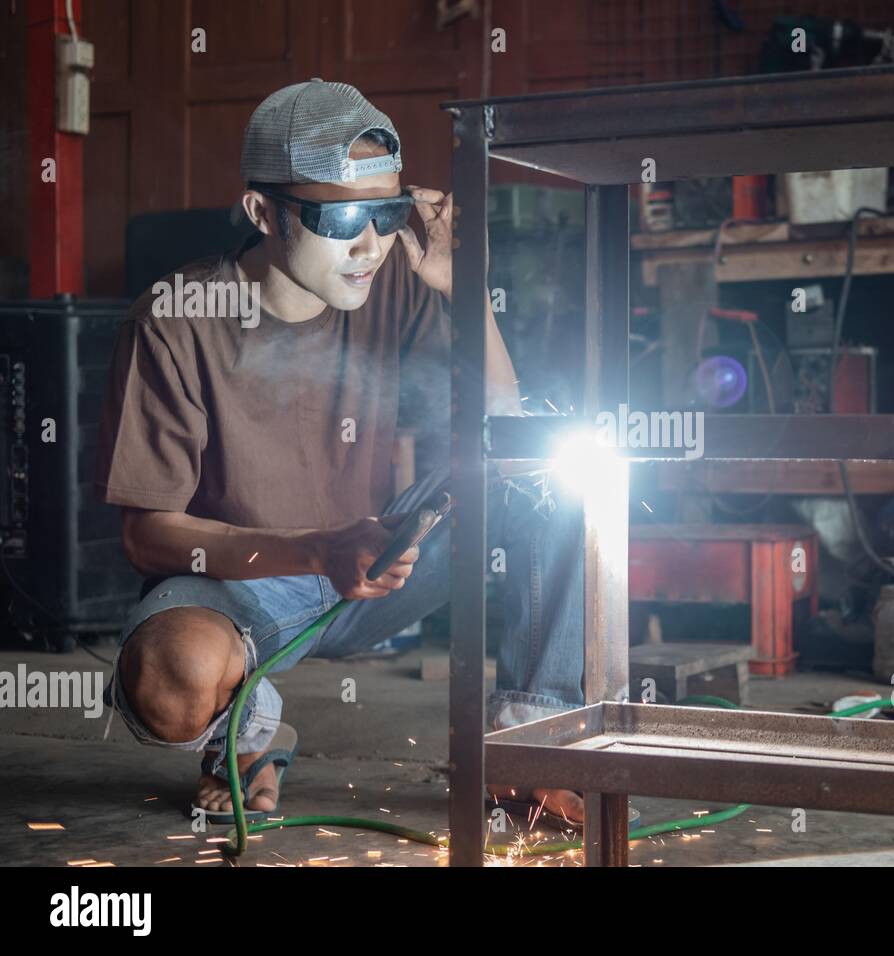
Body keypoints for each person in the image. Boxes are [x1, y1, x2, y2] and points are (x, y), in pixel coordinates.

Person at [96, 79, 588, 829]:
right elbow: (145, 533)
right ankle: (252, 732)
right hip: (246, 590)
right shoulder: (176, 320)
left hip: (379, 561)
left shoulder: (390, 281)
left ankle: (528, 752)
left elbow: (509, 431)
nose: (369, 244)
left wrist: (465, 287)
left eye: (387, 213)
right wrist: (318, 549)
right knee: (171, 680)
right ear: (263, 212)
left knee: (550, 476)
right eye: (342, 217)